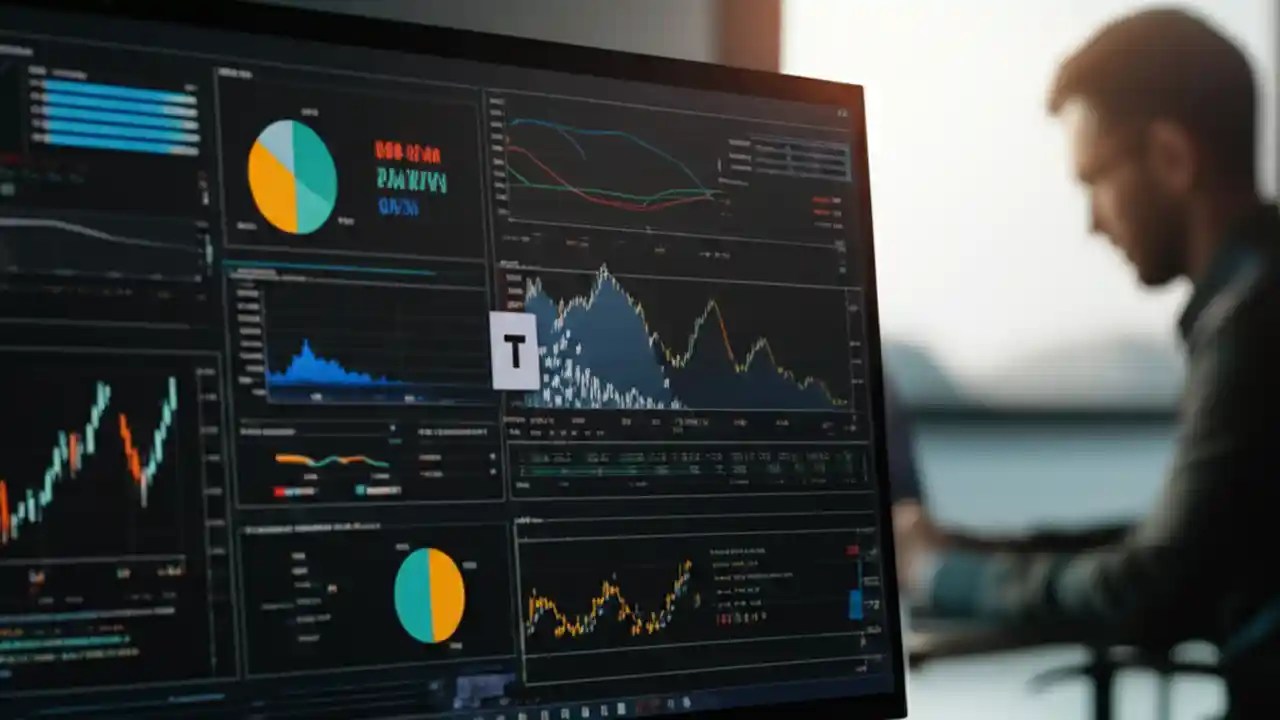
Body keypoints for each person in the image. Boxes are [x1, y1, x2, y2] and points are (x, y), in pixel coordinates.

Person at [893, 8, 1280, 719]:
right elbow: (1190, 537)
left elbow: (1155, 586)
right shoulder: (1255, 294)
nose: (1093, 222)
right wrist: (978, 548)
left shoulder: (1254, 321)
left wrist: (940, 573)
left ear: (1170, 156)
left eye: (1094, 178)